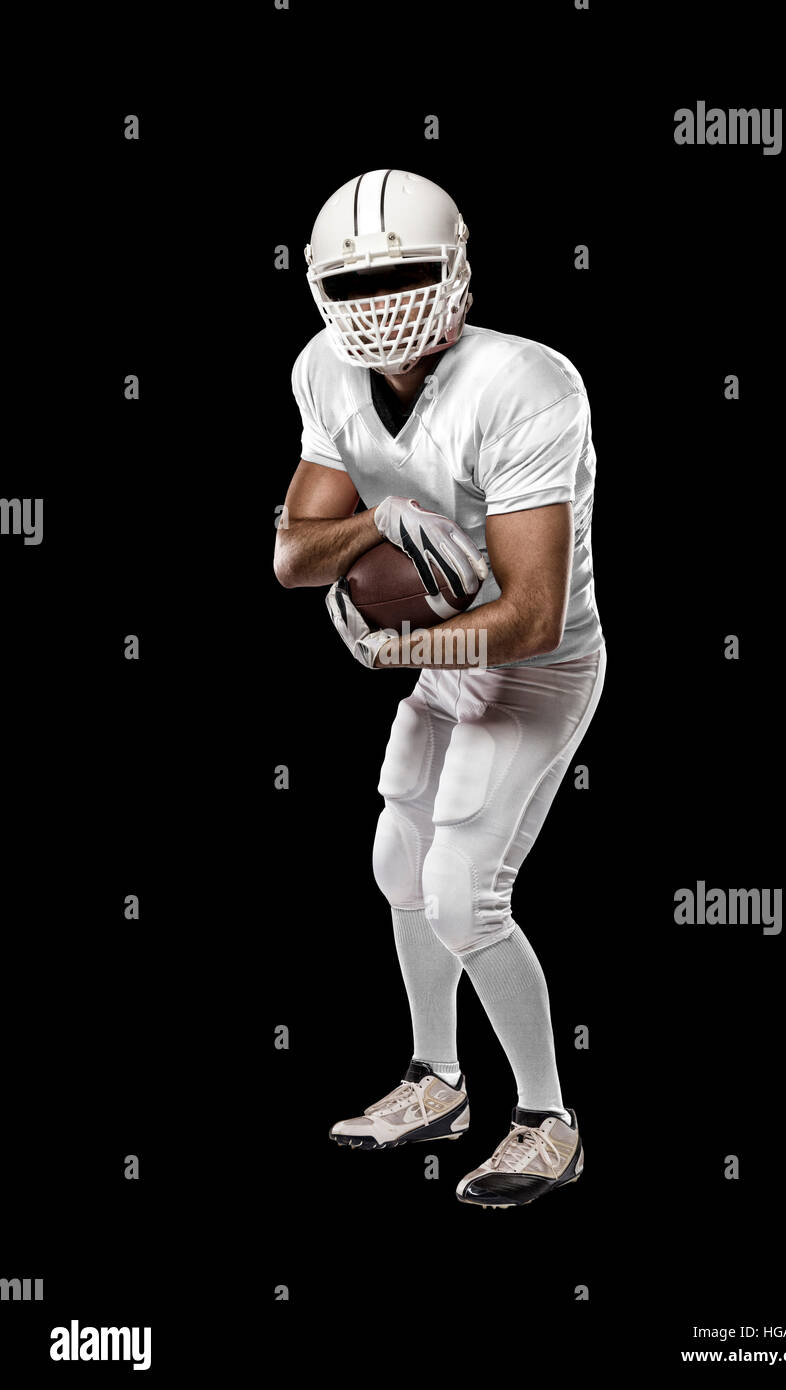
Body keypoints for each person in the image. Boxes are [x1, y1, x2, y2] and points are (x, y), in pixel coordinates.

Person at [274, 169, 606, 1207]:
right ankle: (436, 1080)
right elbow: (293, 557)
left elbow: (533, 610)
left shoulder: (526, 381)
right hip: (438, 659)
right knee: (396, 864)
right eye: (356, 281)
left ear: (458, 268)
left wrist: (403, 650)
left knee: (468, 894)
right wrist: (381, 523)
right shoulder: (325, 369)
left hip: (537, 671)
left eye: (407, 272)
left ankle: (548, 1119)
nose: (381, 301)